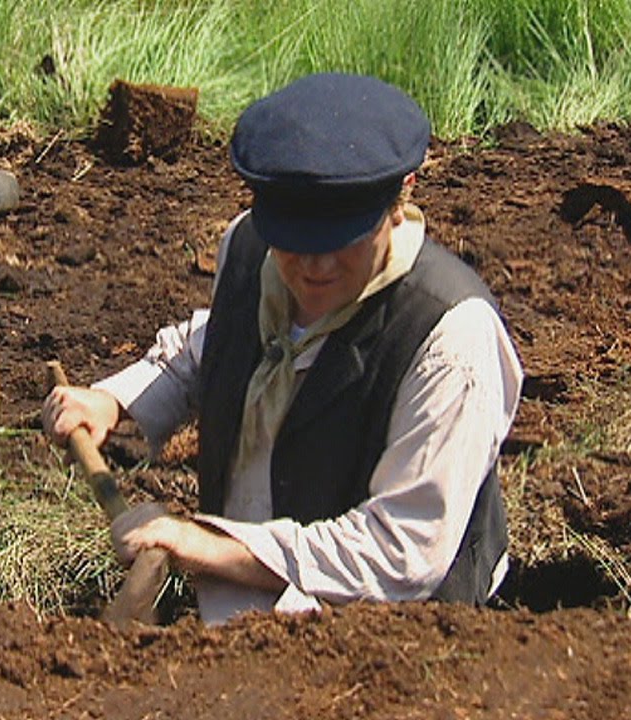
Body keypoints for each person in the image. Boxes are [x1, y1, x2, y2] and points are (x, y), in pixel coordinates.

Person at [43, 73, 523, 625]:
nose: (315, 267)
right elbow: (213, 344)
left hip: (390, 636)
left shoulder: (449, 338)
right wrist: (114, 400)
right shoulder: (249, 247)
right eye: (295, 240)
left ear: (401, 197)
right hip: (236, 615)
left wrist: (205, 545)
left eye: (341, 240)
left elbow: (403, 552)